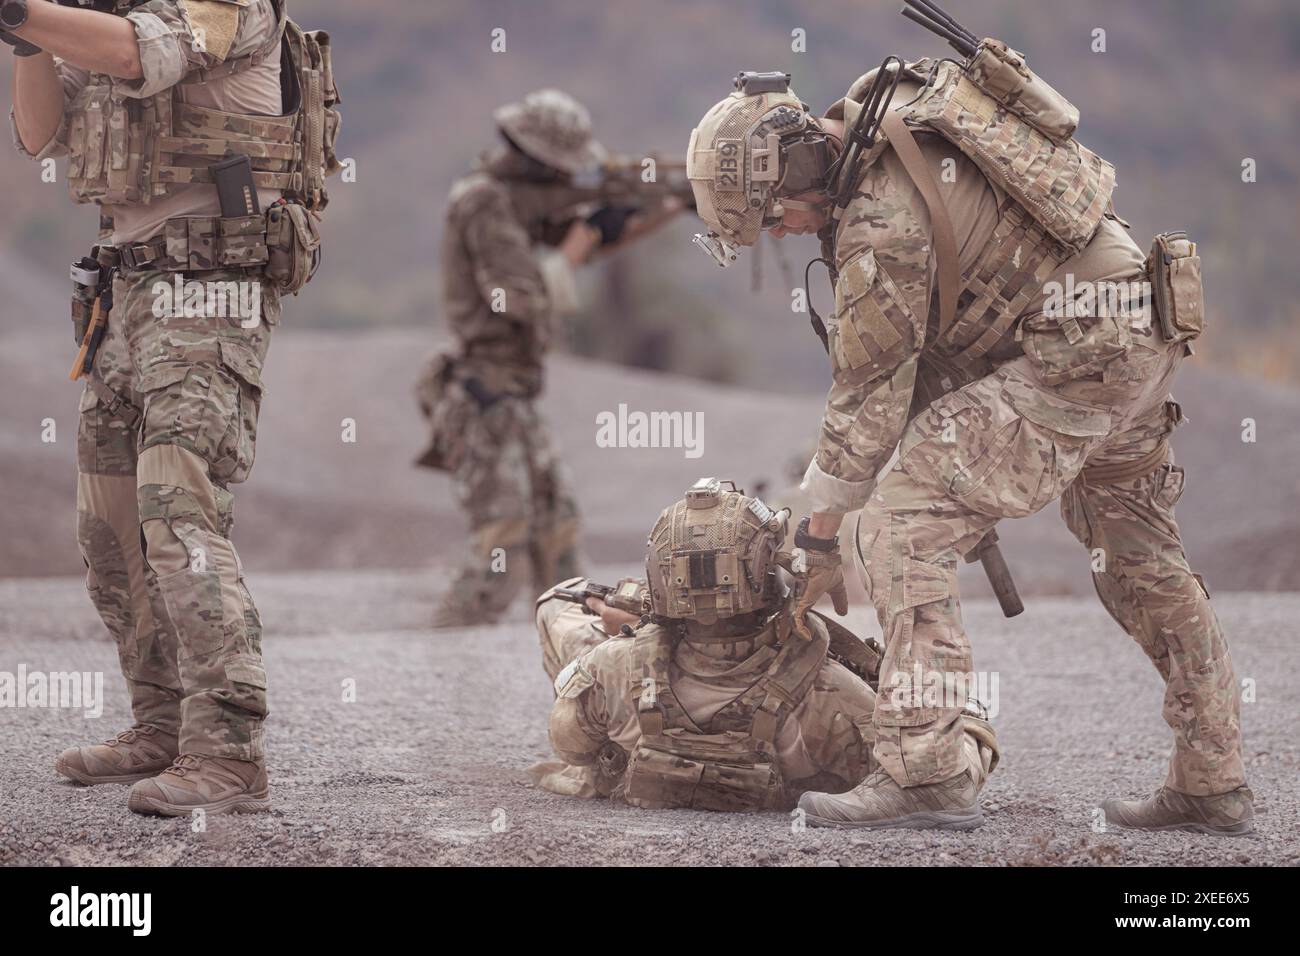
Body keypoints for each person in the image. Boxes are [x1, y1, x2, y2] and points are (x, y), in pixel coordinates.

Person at [683, 43, 1249, 833]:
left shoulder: (879, 222)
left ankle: (926, 770)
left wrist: (818, 543)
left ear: (794, 173)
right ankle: (1212, 778)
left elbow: (864, 408)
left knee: (901, 519)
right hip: (1139, 331)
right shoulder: (903, 121)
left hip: (1076, 357)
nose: (781, 234)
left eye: (774, 217)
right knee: (1140, 558)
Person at [6, 0, 339, 815]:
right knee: (109, 522)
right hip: (127, 289)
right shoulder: (102, 16)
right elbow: (38, 132)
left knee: (176, 507)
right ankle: (160, 726)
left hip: (211, 287)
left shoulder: (229, 9)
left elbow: (136, 56)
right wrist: (24, 35)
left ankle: (228, 753)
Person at [530, 478, 999, 817]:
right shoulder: (827, 689)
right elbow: (921, 771)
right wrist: (972, 722)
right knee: (954, 733)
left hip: (634, 692)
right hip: (797, 723)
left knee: (560, 600)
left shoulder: (613, 666)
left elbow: (570, 743)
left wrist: (640, 627)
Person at [419, 88, 680, 628]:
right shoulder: (484, 202)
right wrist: (578, 247)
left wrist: (670, 206)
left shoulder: (512, 203)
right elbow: (519, 298)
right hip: (484, 394)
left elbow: (578, 244)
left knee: (558, 536)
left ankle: (578, 656)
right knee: (502, 541)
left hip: (515, 393)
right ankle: (441, 664)